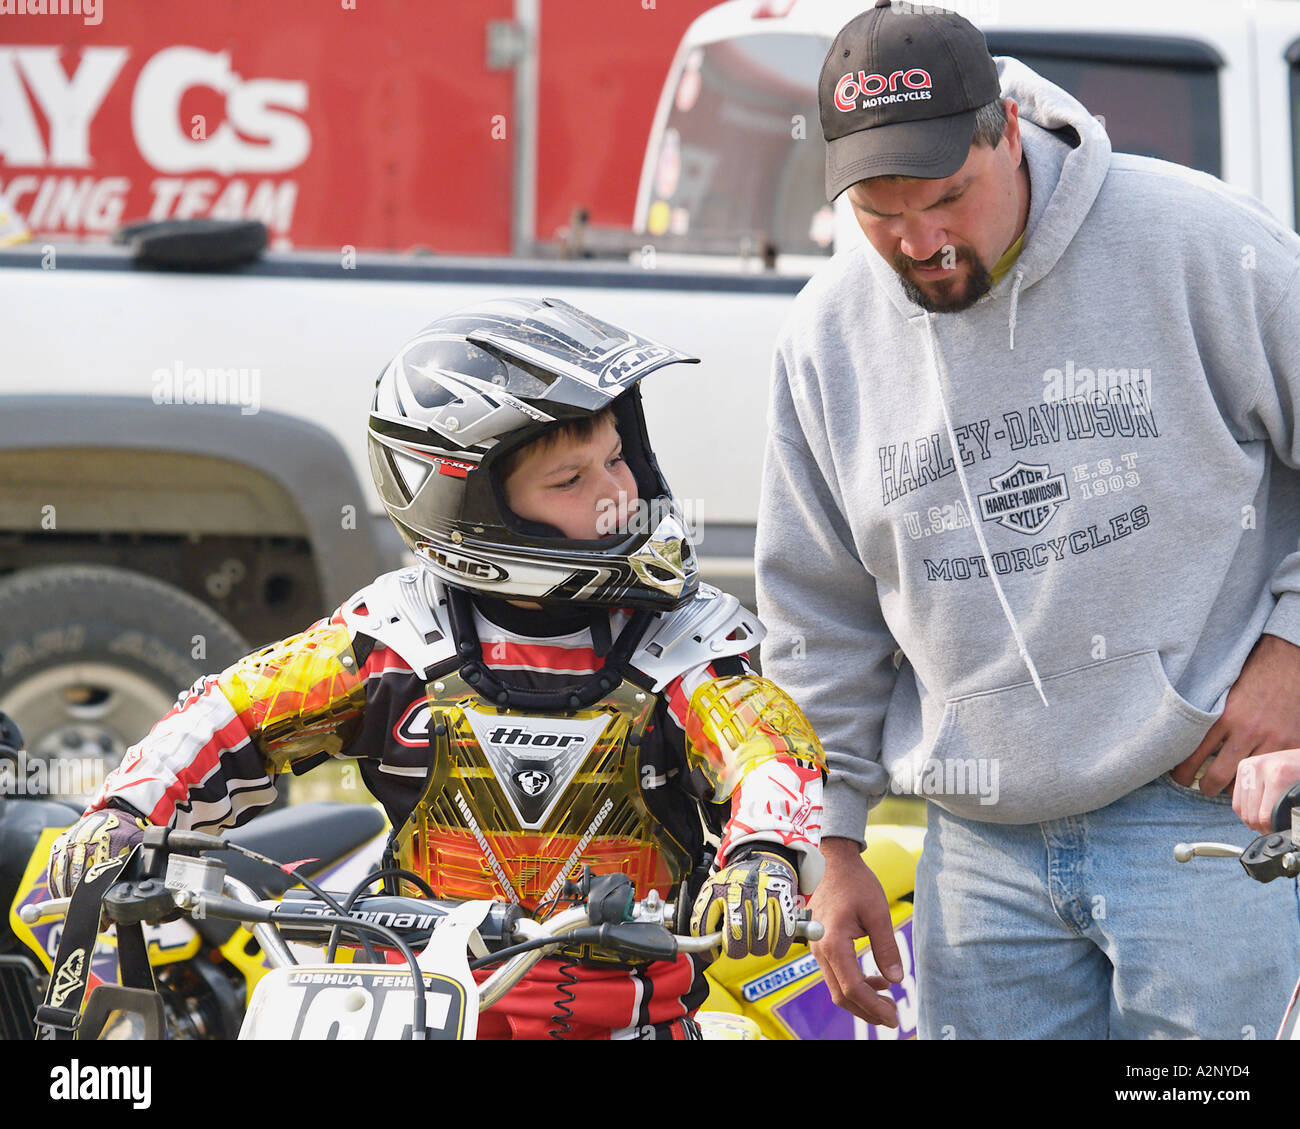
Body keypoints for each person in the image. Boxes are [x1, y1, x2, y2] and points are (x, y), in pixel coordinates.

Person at [49, 296, 826, 1040]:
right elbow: (233, 709)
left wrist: (760, 858)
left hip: (628, 1023)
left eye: (617, 457)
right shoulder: (397, 638)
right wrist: (123, 811)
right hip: (415, 1007)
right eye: (571, 480)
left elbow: (766, 748)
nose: (619, 494)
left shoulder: (682, 643)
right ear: (469, 508)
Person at [756, 0, 1300, 1039]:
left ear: (1005, 127)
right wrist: (828, 839)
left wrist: (1292, 645)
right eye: (879, 211)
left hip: (1201, 824)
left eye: (948, 197)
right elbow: (816, 614)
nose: (919, 242)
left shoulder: (1199, 242)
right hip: (979, 847)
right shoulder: (823, 339)